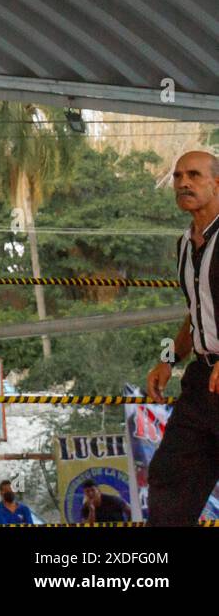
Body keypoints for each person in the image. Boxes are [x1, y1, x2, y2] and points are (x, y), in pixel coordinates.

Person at [145, 150, 219, 525]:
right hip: (201, 385)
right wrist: (167, 359)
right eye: (177, 177)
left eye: (194, 175)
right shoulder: (184, 245)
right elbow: (195, 314)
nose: (184, 183)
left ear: (217, 183)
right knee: (168, 478)